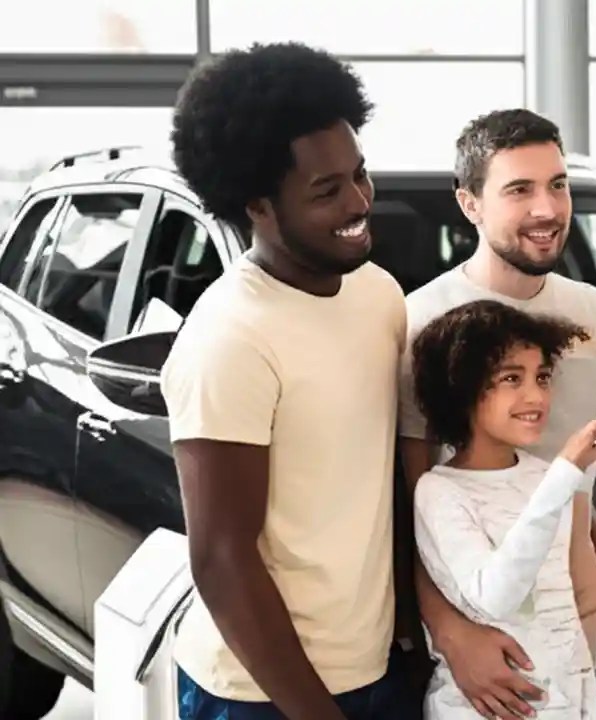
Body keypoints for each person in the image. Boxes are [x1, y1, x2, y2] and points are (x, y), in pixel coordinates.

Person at [161, 43, 419, 719]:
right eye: (327, 192)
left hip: (377, 668)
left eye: (360, 175)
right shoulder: (231, 338)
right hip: (262, 692)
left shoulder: (380, 297)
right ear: (258, 206)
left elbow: (385, 478)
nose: (360, 201)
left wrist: (406, 633)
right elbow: (220, 560)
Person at [398, 108, 596, 720]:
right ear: (470, 203)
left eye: (558, 185)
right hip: (486, 664)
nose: (547, 208)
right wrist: (456, 637)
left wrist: (588, 593)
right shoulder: (418, 324)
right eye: (519, 189)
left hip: (595, 660)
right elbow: (412, 513)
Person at [410, 300, 596, 719]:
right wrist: (567, 471)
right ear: (462, 387)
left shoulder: (544, 474)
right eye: (511, 378)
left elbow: (567, 607)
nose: (536, 395)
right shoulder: (440, 492)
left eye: (542, 377)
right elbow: (495, 598)